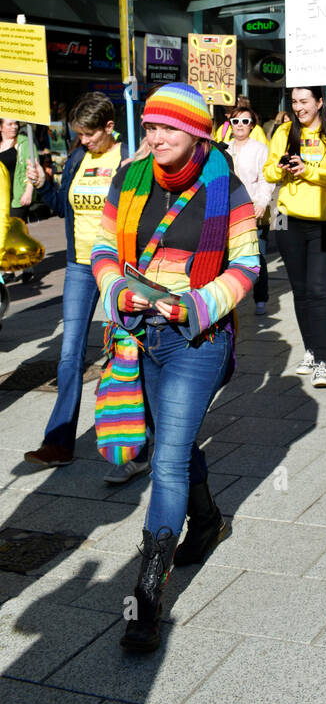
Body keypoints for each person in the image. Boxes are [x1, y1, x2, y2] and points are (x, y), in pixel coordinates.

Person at [91, 82, 259, 652]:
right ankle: (207, 521)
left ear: (195, 133)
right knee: (173, 440)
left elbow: (247, 263)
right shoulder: (130, 178)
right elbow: (102, 249)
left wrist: (196, 303)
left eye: (168, 127)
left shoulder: (226, 186)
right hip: (139, 336)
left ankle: (146, 598)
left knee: (165, 461)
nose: (155, 136)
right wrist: (116, 290)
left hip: (197, 338)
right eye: (151, 126)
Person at [23, 94, 131, 474]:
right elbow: (62, 206)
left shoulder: (127, 158)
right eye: (79, 134)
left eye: (89, 134)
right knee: (70, 354)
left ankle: (133, 443)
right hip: (80, 266)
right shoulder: (76, 158)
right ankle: (58, 443)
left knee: (126, 353)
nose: (83, 140)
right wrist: (43, 185)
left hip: (117, 267)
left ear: (109, 127)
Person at [264, 86, 326, 388]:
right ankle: (310, 350)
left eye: (304, 101)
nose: (298, 107)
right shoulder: (284, 131)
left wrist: (307, 171)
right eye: (294, 102)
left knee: (318, 290)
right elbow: (268, 171)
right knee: (300, 290)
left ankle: (322, 361)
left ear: (320, 102)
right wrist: (281, 167)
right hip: (288, 220)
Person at [225, 100, 272, 317]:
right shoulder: (224, 148)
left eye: (245, 121)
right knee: (228, 256)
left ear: (252, 125)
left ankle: (261, 298)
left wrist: (262, 202)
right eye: (236, 121)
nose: (240, 125)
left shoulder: (260, 149)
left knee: (257, 256)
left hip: (253, 210)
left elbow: (266, 178)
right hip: (228, 211)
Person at [0, 117, 34, 221]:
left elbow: (32, 168)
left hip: (17, 196)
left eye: (15, 124)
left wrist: (28, 191)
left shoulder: (24, 143)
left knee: (13, 227)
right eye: (10, 124)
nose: (14, 127)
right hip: (2, 196)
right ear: (1, 127)